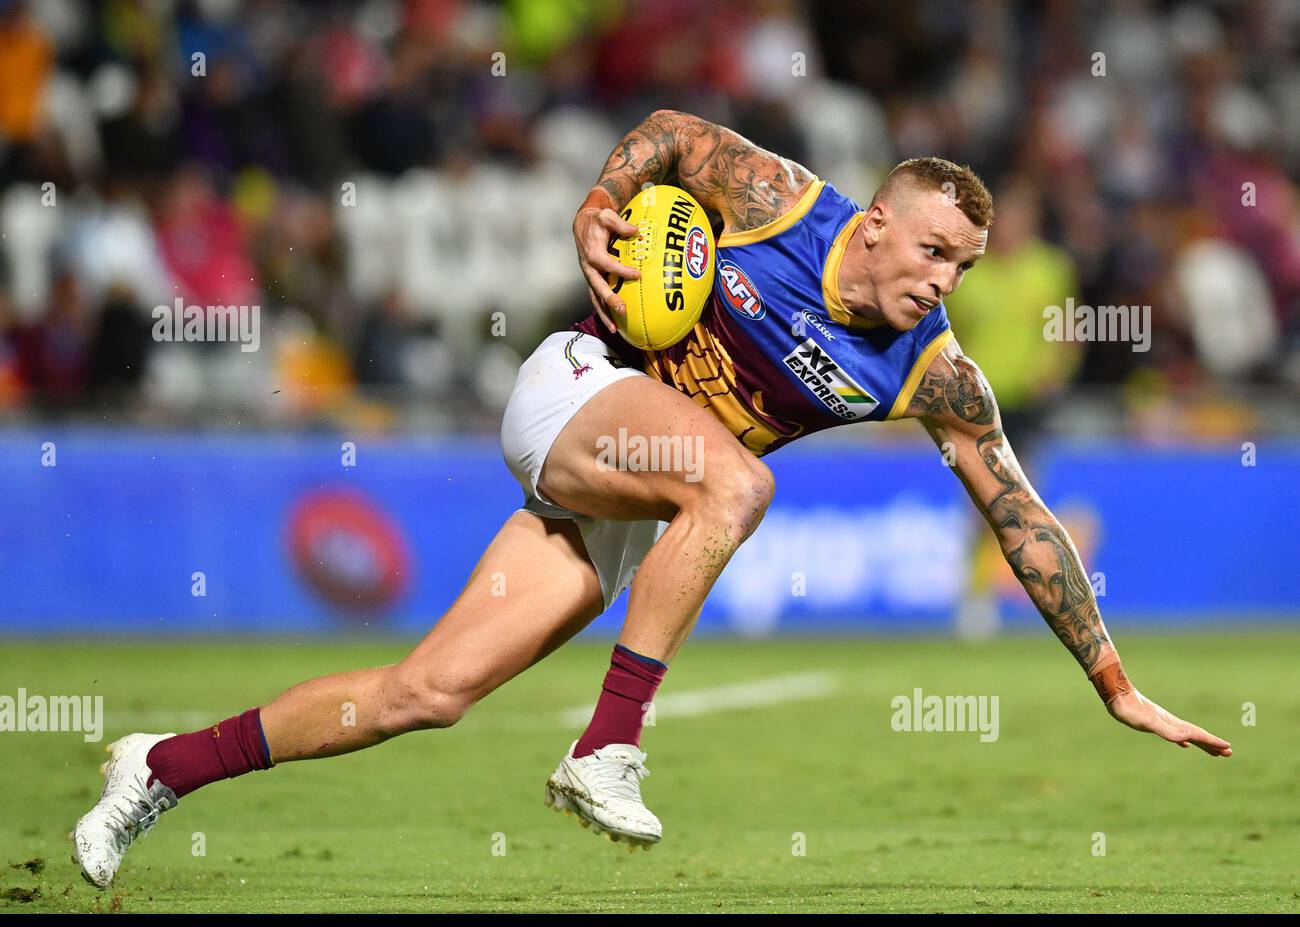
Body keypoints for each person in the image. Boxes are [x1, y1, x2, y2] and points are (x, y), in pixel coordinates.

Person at [73, 110, 1231, 887]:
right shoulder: (779, 201)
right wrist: (598, 202)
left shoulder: (934, 372)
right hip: (580, 389)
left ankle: (162, 768)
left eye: (962, 268)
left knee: (421, 694)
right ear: (876, 221)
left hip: (640, 496)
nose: (941, 281)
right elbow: (670, 133)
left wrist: (1114, 681)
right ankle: (610, 743)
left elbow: (1020, 518)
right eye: (931, 250)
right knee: (739, 479)